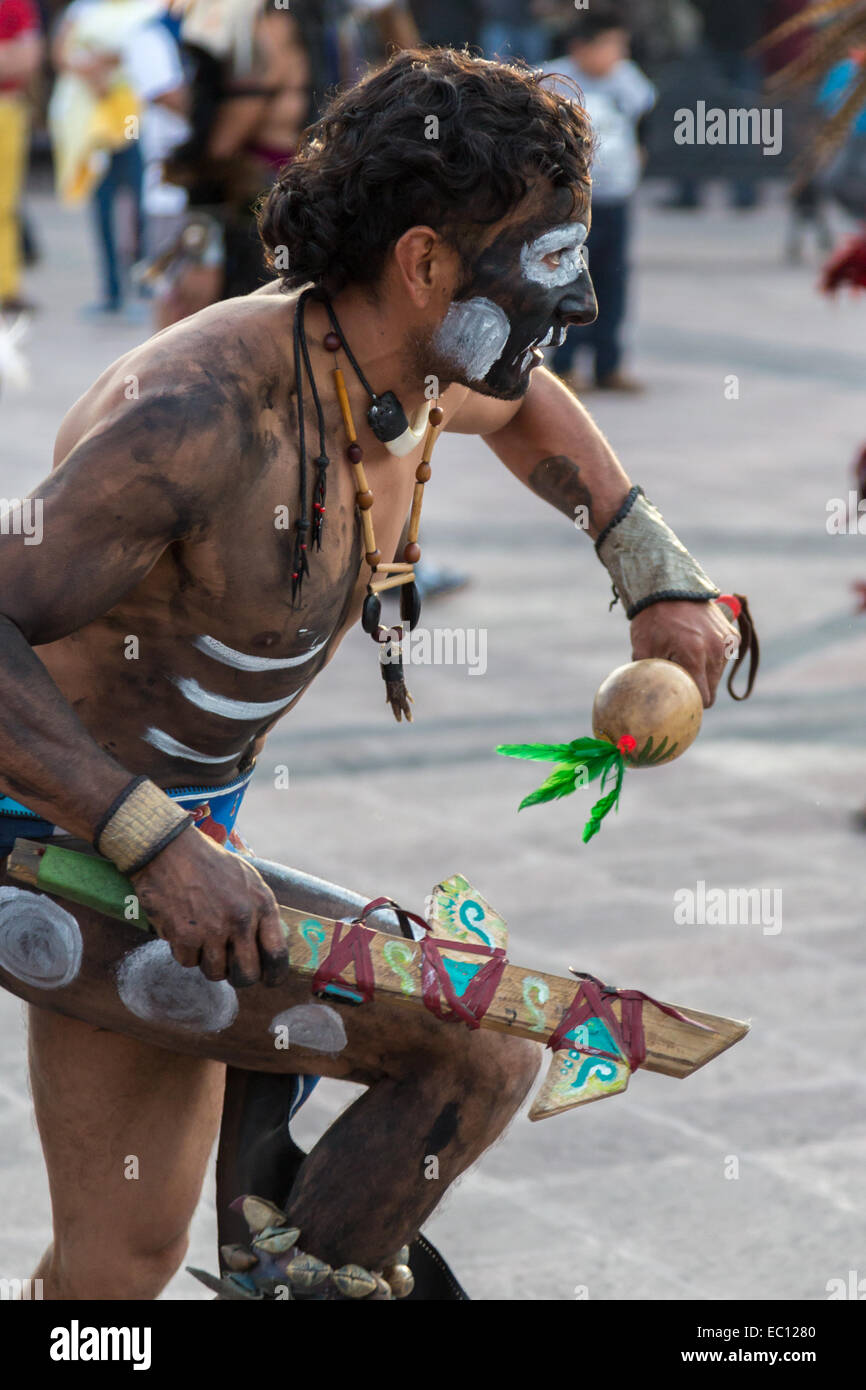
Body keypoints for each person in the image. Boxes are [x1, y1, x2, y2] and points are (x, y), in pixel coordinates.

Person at [0, 47, 737, 1301]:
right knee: (481, 1048)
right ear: (423, 262)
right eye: (548, 262)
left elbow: (537, 409)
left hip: (185, 842)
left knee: (112, 1268)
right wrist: (151, 842)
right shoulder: (199, 413)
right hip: (50, 840)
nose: (580, 303)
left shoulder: (417, 364)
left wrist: (649, 566)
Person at [544, 4, 656, 392]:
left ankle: (609, 364)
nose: (618, 56)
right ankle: (565, 365)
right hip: (570, 205)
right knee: (569, 278)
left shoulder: (629, 81)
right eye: (610, 46)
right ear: (581, 48)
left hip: (615, 200)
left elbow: (643, 121)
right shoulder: (553, 81)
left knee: (613, 279)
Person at [0, 0, 42, 314]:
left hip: (6, 107)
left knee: (4, 204)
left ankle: (6, 285)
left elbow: (25, 60)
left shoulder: (15, 5)